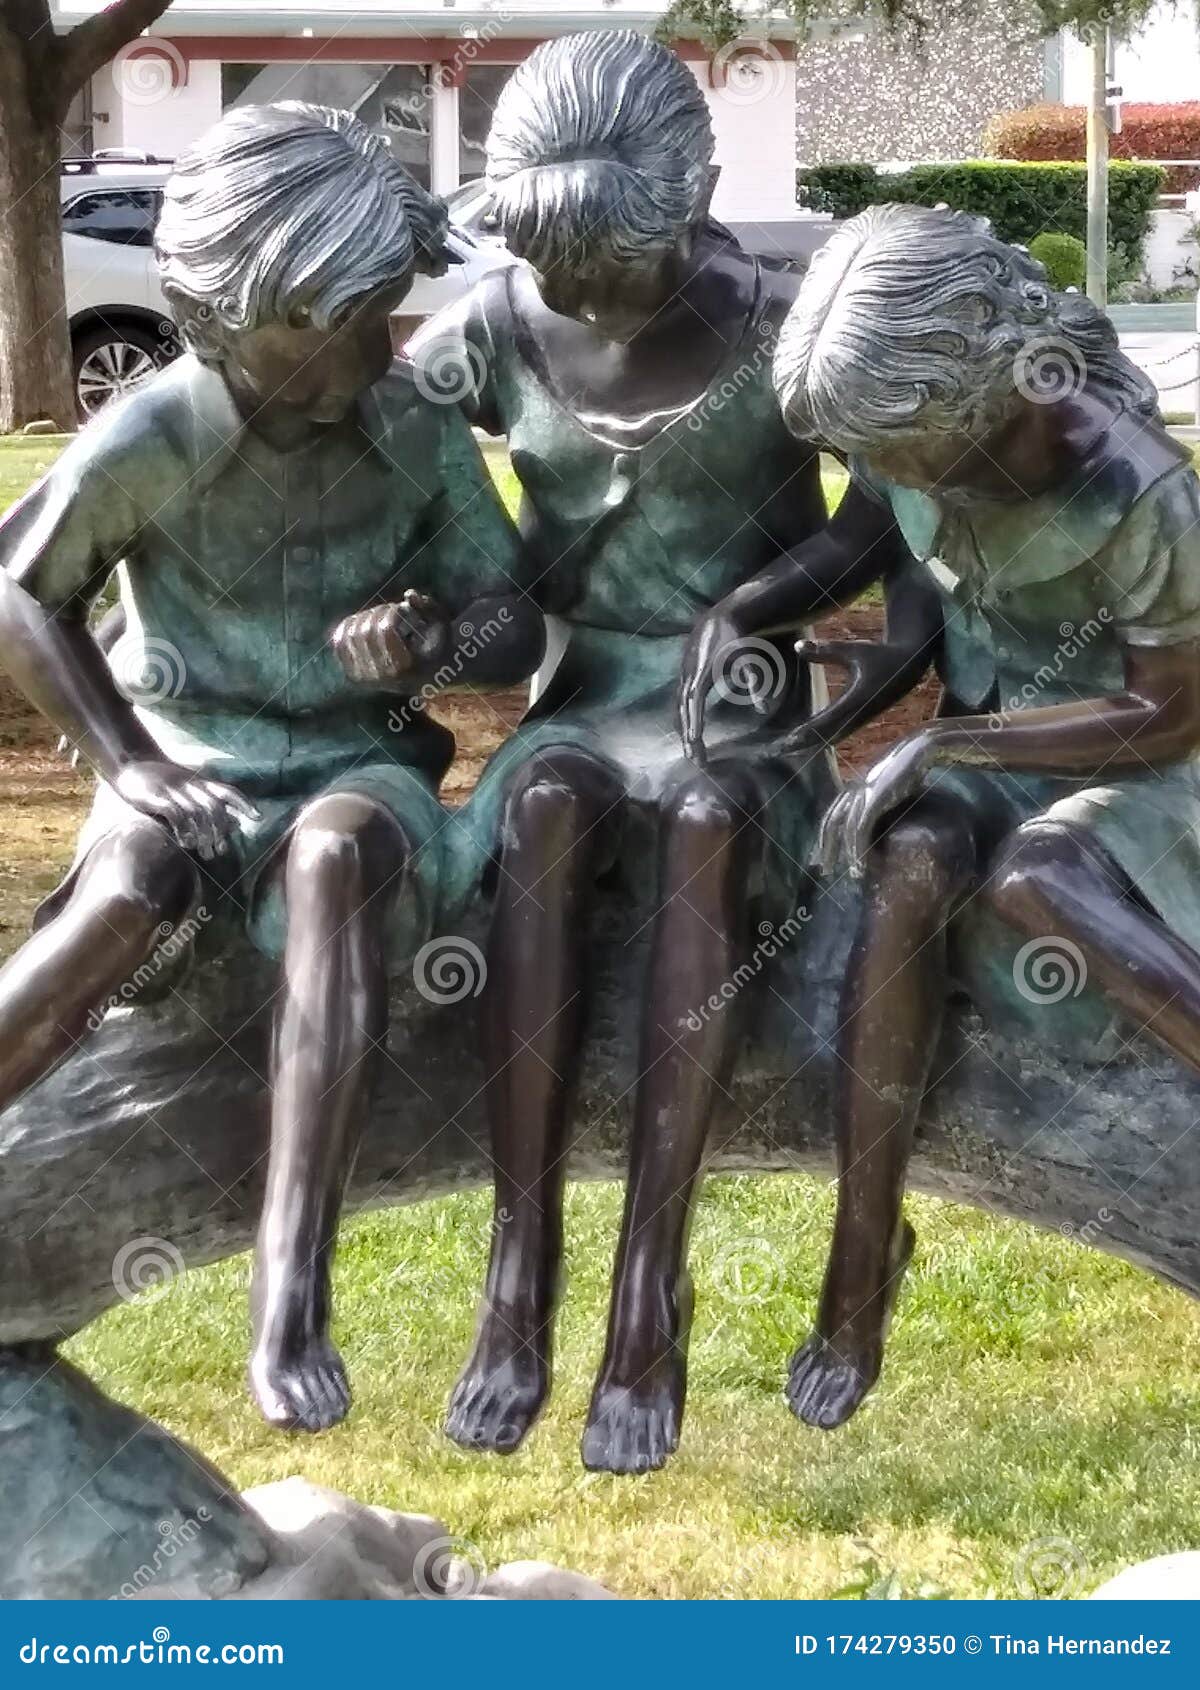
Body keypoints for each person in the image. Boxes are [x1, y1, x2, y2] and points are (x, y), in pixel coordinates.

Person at [410, 30, 939, 1474]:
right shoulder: (492, 327)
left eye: (609, 267)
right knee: (545, 811)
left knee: (706, 813)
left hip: (738, 710)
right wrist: (428, 612)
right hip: (583, 699)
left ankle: (651, 1286)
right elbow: (390, 468)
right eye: (553, 265)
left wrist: (762, 601)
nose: (578, 297)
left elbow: (888, 507)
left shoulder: (784, 316)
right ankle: (520, 1275)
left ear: (688, 200)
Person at [0, 102, 542, 1435]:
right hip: (191, 760)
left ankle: (291, 1290)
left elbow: (510, 616)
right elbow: (25, 595)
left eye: (384, 307)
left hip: (363, 766)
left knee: (339, 864)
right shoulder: (159, 432)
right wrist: (125, 764)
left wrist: (426, 637)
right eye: (346, 317)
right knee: (129, 887)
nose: (380, 339)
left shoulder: (413, 427)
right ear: (243, 315)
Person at [768, 202, 1200, 1431]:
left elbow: (1167, 716)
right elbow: (897, 597)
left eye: (905, 453)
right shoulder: (912, 448)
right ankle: (860, 1261)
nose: (889, 479)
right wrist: (768, 644)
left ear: (986, 391)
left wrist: (947, 737)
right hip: (991, 742)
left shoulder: (1138, 487)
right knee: (909, 863)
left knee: (1040, 877)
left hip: (1150, 767)